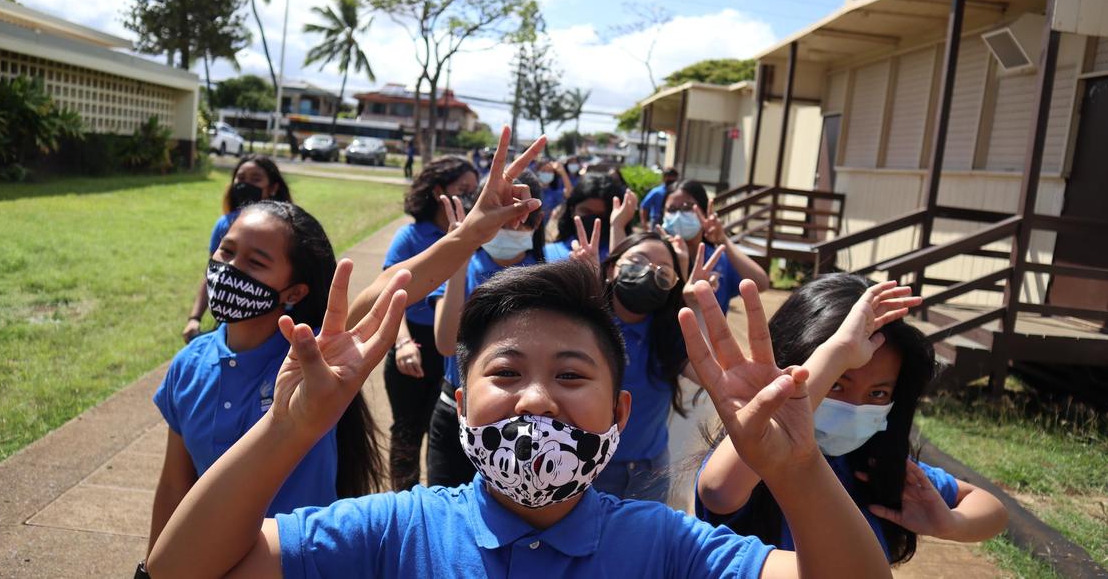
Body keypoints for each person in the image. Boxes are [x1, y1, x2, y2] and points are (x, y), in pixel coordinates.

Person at [146, 257, 893, 578]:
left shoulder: (666, 548)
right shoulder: (392, 531)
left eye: (571, 375)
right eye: (504, 373)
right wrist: (287, 429)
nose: (536, 400)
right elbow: (179, 570)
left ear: (618, 411)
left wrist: (794, 470)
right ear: (461, 400)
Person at [695, 273, 1009, 564]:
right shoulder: (752, 463)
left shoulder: (869, 467)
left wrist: (952, 524)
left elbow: (991, 509)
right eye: (836, 383)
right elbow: (719, 490)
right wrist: (839, 351)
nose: (854, 407)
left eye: (878, 394)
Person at [148, 201, 384, 561]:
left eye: (255, 263)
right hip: (207, 561)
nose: (229, 269)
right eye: (226, 251)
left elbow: (389, 287)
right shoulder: (188, 363)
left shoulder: (312, 359)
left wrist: (467, 236)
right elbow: (174, 483)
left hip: (300, 560)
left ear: (294, 292)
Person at [566, 226, 722, 502]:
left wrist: (695, 305)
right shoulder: (584, 326)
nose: (649, 272)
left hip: (649, 474)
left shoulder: (666, 337)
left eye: (663, 271)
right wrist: (583, 288)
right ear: (612, 268)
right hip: (583, 469)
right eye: (637, 262)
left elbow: (711, 376)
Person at [425, 170, 546, 487]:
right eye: (500, 216)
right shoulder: (462, 266)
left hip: (519, 421)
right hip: (455, 413)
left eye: (520, 217)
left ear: (538, 217)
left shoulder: (550, 270)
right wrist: (458, 257)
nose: (510, 227)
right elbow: (446, 344)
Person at [382, 155, 479, 490]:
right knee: (407, 432)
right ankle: (403, 501)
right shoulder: (410, 237)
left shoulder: (476, 237)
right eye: (463, 189)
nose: (471, 195)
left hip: (451, 345)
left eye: (474, 190)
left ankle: (434, 501)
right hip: (412, 343)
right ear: (439, 191)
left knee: (442, 429)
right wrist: (403, 343)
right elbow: (388, 299)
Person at [182, 155, 292, 343]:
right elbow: (211, 273)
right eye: (240, 178)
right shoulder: (224, 224)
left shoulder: (287, 229)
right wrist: (194, 318)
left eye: (255, 179)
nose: (245, 184)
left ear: (273, 187)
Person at [661, 179, 769, 313]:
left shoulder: (718, 259)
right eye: (671, 209)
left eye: (687, 207)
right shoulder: (657, 257)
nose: (678, 215)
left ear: (705, 212)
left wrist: (723, 240)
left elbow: (761, 284)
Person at [544, 173, 637, 263]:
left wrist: (618, 226)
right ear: (572, 210)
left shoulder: (629, 255)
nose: (594, 219)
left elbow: (623, 274)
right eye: (586, 211)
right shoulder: (546, 254)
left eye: (601, 215)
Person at [534, 159, 573, 226]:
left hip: (542, 231)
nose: (547, 173)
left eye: (550, 171)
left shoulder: (553, 193)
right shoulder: (531, 189)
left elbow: (569, 192)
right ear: (537, 172)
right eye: (544, 170)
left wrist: (562, 172)